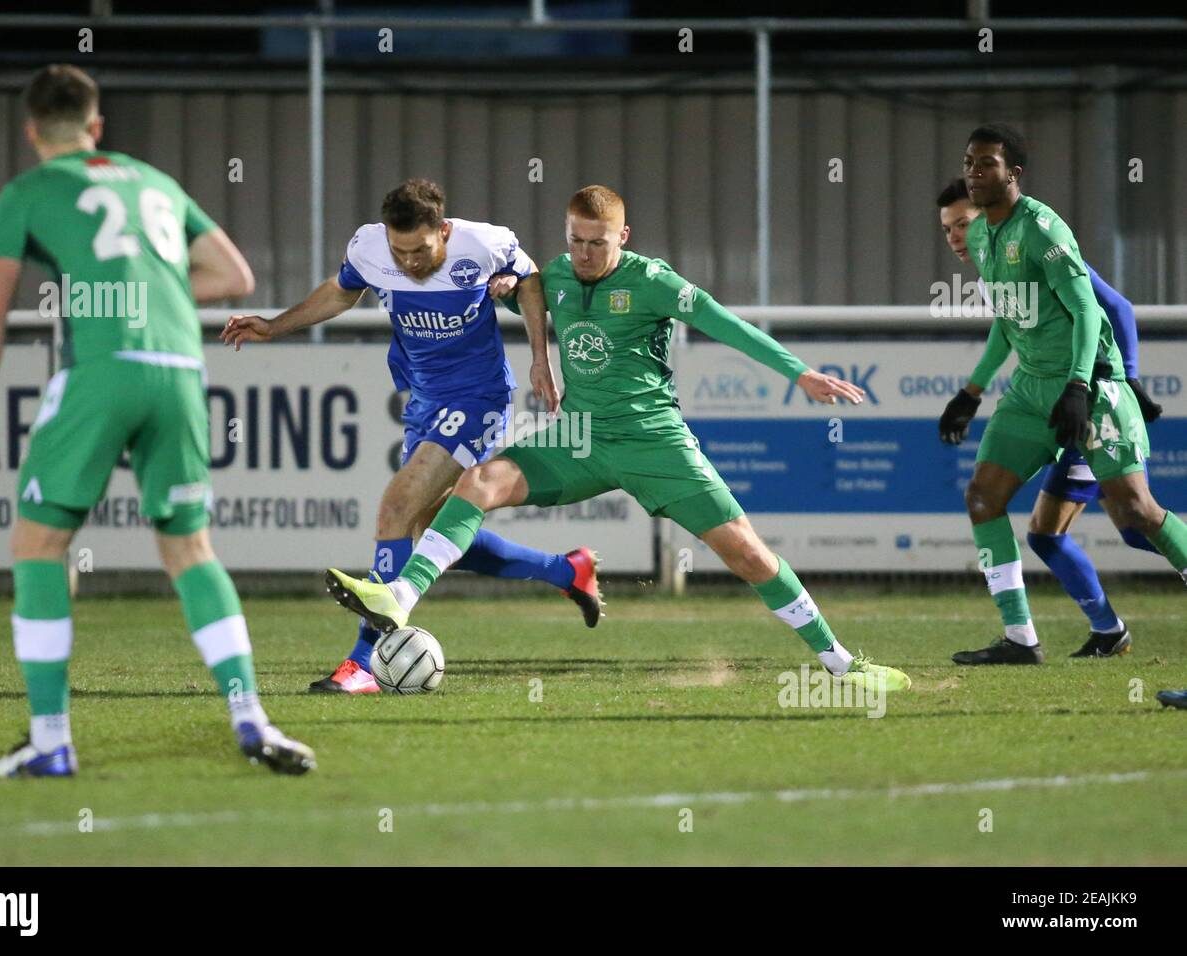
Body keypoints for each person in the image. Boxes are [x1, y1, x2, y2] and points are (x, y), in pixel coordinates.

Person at [323, 185, 911, 694]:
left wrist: (798, 372)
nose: (583, 253)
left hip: (655, 443)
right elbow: (526, 282)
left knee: (747, 554)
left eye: (597, 242)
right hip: (581, 439)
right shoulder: (553, 274)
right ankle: (400, 596)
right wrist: (510, 291)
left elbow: (725, 325)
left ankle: (839, 662)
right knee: (477, 482)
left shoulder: (652, 282)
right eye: (575, 240)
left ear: (622, 236)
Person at [0, 64, 314, 776]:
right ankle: (252, 718)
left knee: (39, 546)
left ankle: (51, 741)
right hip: (178, 373)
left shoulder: (27, 192)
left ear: (31, 131)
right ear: (97, 127)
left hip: (103, 371)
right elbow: (236, 279)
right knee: (190, 549)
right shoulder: (154, 182)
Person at [221, 179, 601, 695]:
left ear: (443, 231)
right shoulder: (370, 247)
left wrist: (540, 358)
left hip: (478, 397)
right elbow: (342, 289)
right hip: (424, 401)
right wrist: (275, 325)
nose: (410, 263)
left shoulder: (482, 243)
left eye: (421, 250)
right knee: (431, 532)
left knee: (395, 505)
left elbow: (530, 276)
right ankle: (566, 571)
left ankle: (363, 663)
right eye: (400, 253)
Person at [937, 124, 1186, 666]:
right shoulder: (983, 237)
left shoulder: (1044, 229)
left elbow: (1091, 309)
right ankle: (1021, 639)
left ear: (1013, 174)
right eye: (969, 163)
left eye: (987, 164)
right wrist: (970, 392)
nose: (975, 173)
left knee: (1138, 512)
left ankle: (1108, 625)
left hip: (1089, 387)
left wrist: (1080, 384)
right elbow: (1009, 319)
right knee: (983, 497)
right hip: (1030, 391)